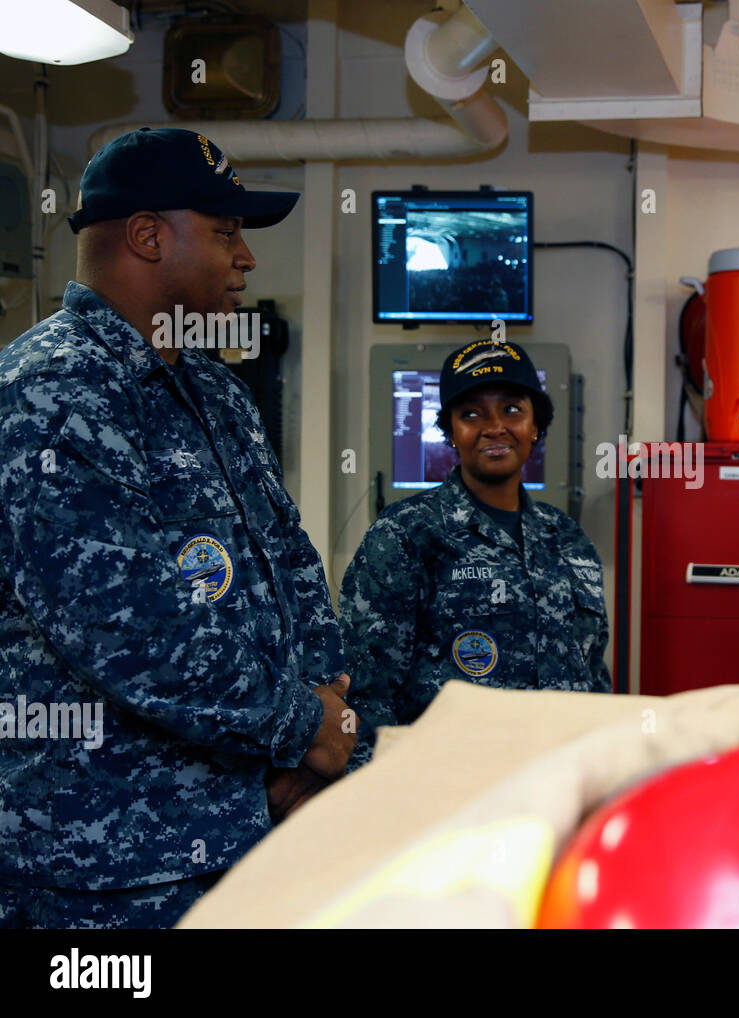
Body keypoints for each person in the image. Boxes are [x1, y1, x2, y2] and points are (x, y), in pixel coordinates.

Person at [0, 128, 356, 929]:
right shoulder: (48, 391)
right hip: (101, 875)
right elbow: (124, 627)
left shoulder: (213, 391)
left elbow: (291, 565)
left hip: (244, 835)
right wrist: (301, 726)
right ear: (148, 236)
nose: (247, 258)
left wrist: (321, 734)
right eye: (226, 232)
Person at [340, 339, 610, 767]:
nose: (494, 426)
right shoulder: (407, 534)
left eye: (513, 410)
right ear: (450, 433)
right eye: (470, 414)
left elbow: (594, 679)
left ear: (536, 425)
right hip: (449, 792)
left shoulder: (568, 540)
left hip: (562, 783)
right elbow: (365, 693)